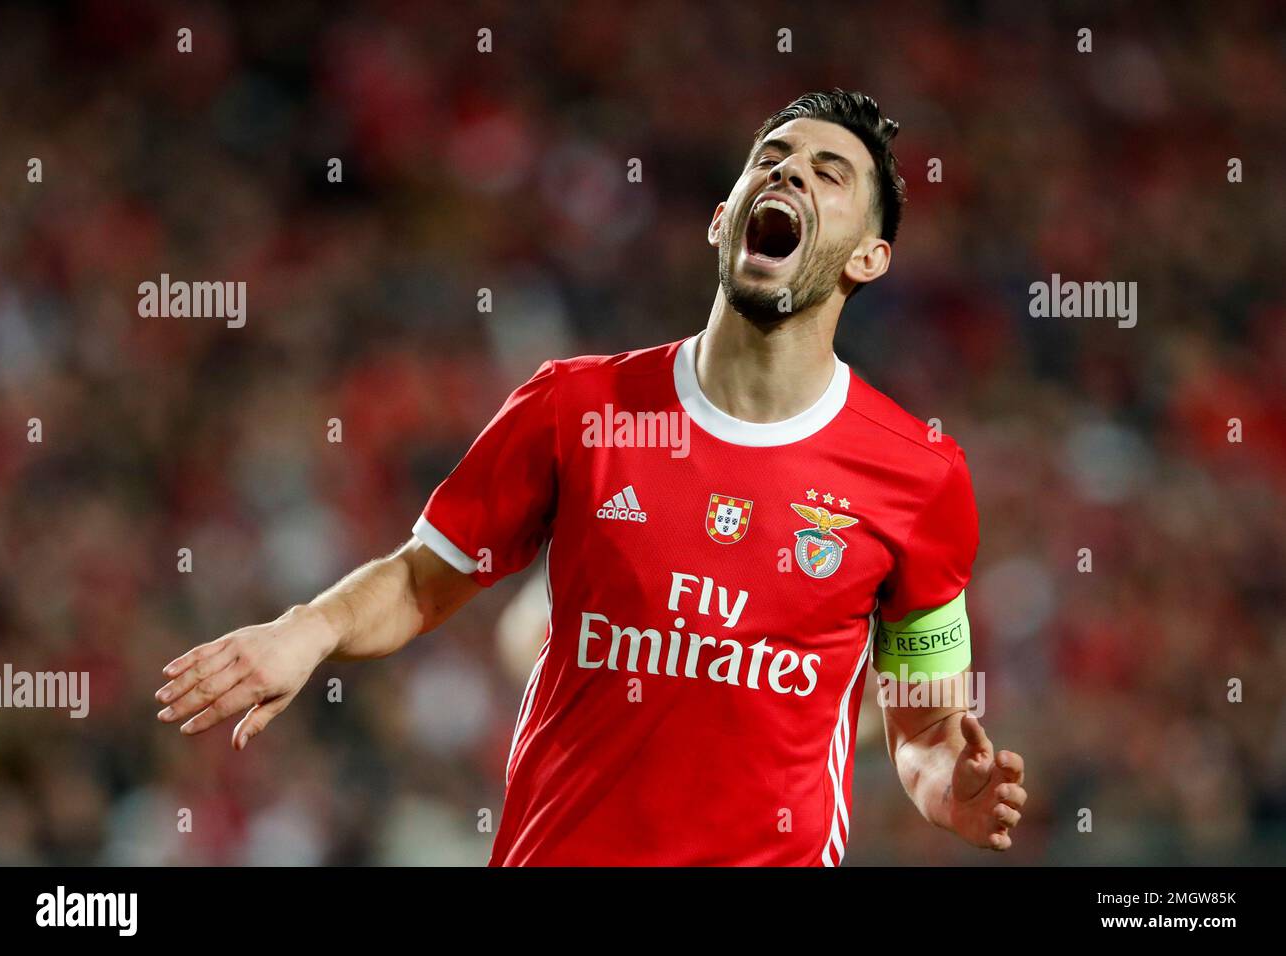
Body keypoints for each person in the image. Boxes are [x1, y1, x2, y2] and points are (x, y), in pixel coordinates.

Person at [155, 90, 1027, 866]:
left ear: (869, 258)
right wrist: (308, 630)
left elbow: (920, 728)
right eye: (773, 159)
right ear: (724, 219)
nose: (792, 174)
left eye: (828, 173)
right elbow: (423, 581)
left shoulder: (920, 476)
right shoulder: (576, 405)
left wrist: (947, 783)